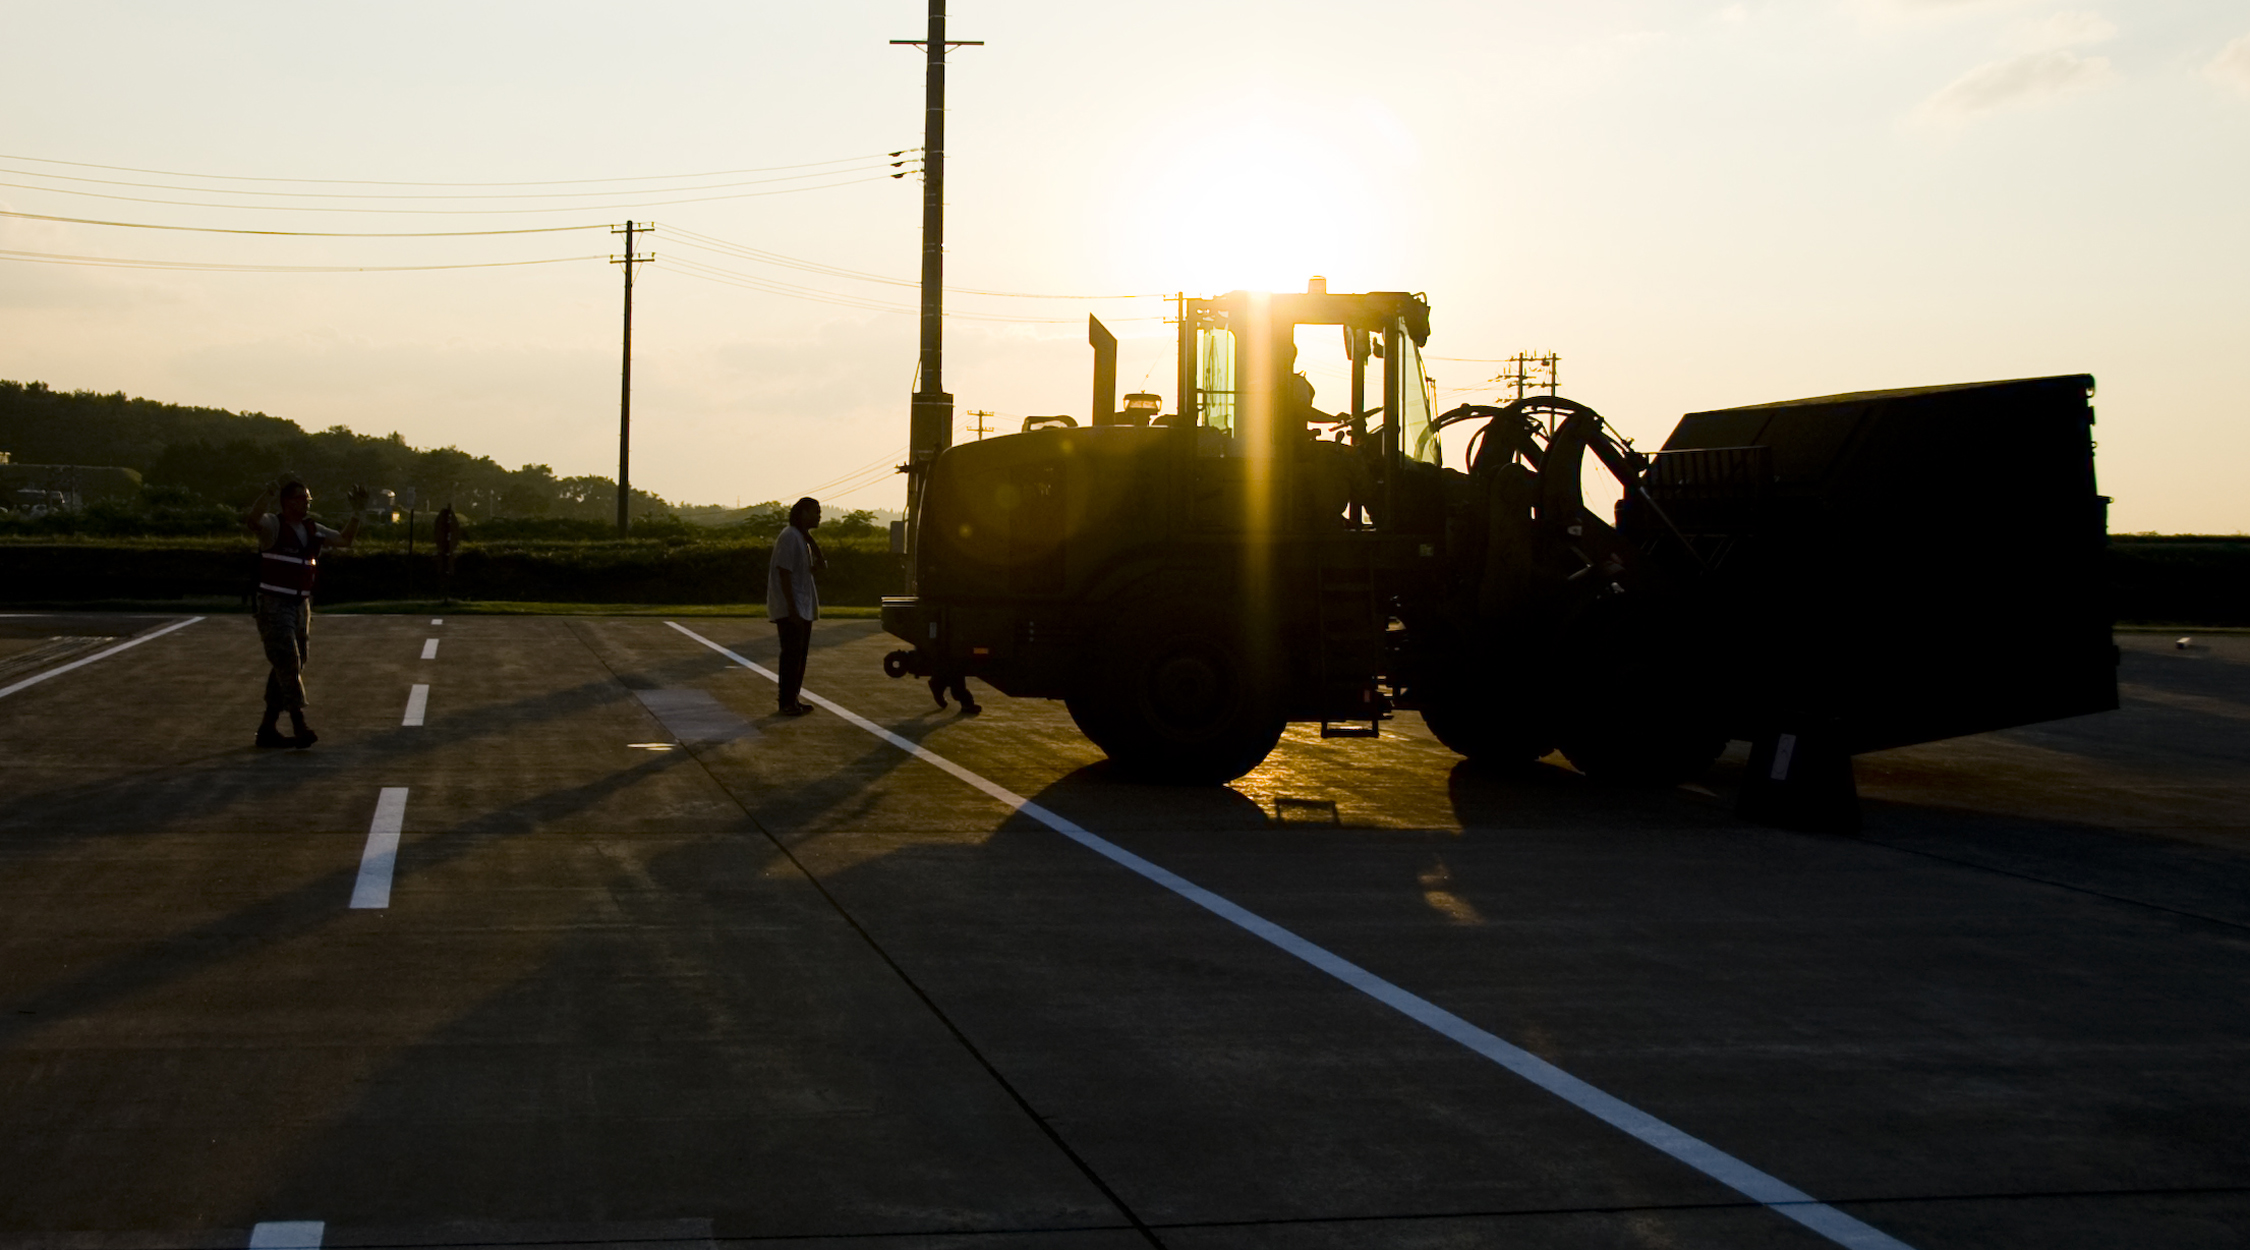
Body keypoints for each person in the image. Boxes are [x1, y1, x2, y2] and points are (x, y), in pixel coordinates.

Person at [243, 478, 367, 748]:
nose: (306, 502)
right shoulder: (273, 526)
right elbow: (252, 520)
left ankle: (267, 727)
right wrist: (266, 493)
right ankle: (299, 723)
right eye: (301, 498)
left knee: (293, 662)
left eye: (308, 498)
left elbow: (345, 540)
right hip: (274, 603)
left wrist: (357, 513)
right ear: (287, 502)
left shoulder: (313, 529)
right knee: (287, 658)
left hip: (300, 605)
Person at [768, 496, 825, 715]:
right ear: (802, 514)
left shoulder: (802, 538)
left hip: (802, 607)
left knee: (799, 656)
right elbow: (784, 572)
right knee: (791, 656)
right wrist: (792, 608)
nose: (819, 516)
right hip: (793, 608)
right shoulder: (790, 537)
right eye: (815, 512)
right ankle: (786, 702)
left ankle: (793, 699)